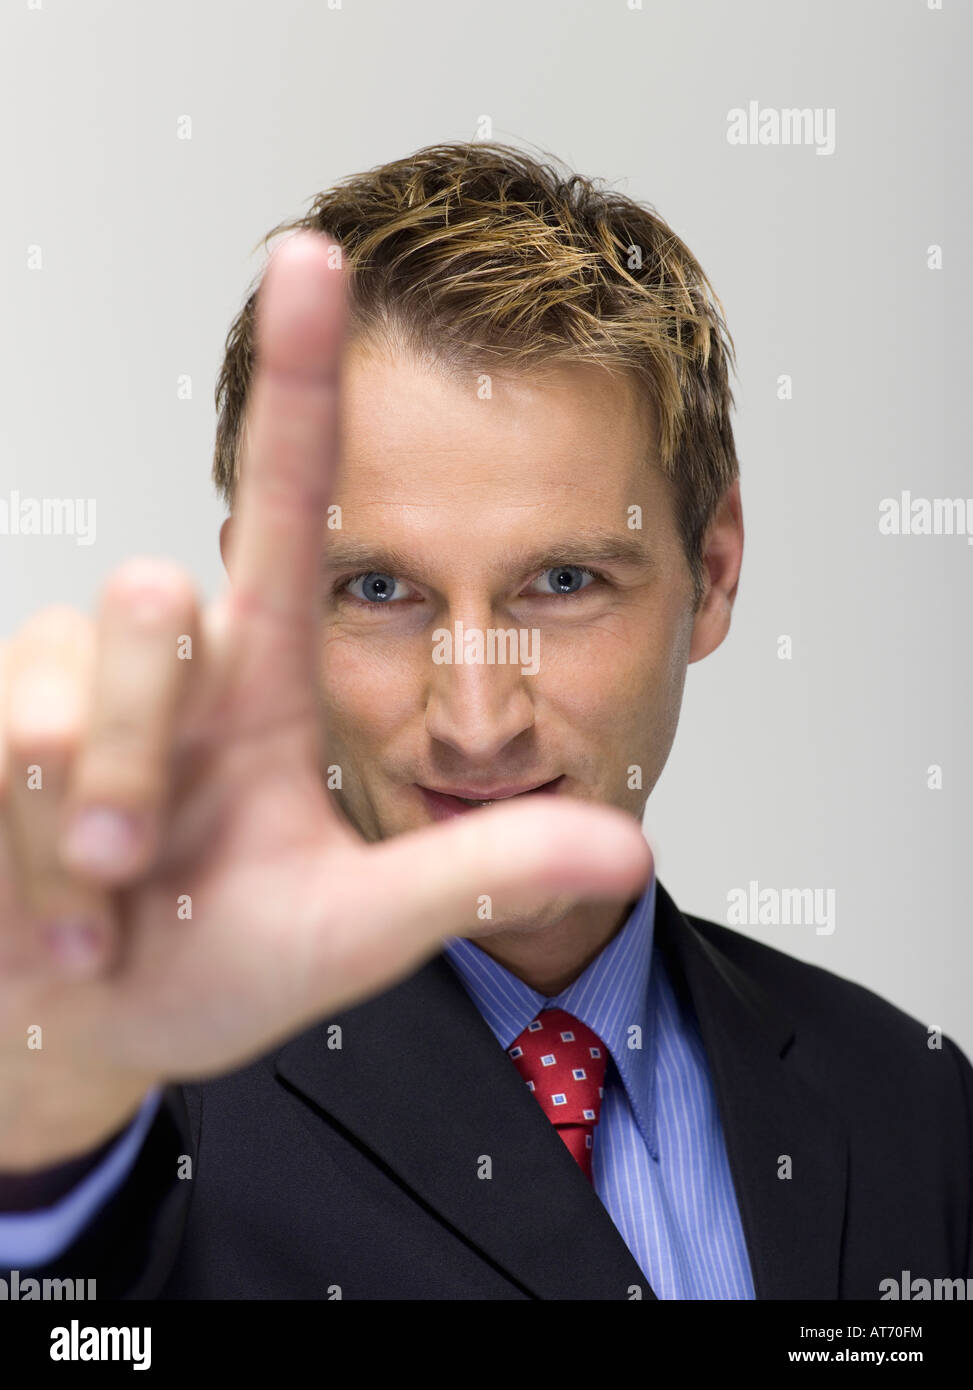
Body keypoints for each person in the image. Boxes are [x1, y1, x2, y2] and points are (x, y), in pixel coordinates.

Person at [0, 143, 968, 1301]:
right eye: (377, 591)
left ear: (711, 570)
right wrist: (44, 1146)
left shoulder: (909, 1101)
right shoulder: (132, 1089)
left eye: (561, 583)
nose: (472, 720)